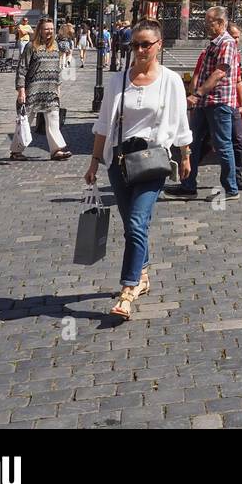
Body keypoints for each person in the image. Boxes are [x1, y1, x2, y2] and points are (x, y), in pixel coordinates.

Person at [86, 19, 192, 320]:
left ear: (159, 45)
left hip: (152, 160)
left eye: (146, 44)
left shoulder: (170, 80)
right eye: (135, 44)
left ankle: (128, 289)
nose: (140, 50)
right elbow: (104, 123)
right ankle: (143, 273)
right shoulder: (118, 80)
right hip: (119, 161)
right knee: (133, 225)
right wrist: (94, 161)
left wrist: (185, 155)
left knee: (135, 222)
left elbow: (181, 122)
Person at [170, 6, 241, 200]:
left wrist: (197, 94)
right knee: (191, 141)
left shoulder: (226, 43)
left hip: (218, 102)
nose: (206, 26)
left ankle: (231, 188)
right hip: (205, 102)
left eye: (209, 22)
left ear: (220, 22)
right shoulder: (213, 43)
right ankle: (187, 184)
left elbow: (219, 73)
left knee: (223, 145)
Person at [12, 18, 71, 161]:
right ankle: (16, 151)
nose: (49, 31)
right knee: (26, 121)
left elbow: (57, 69)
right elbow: (22, 69)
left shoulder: (56, 46)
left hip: (50, 90)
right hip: (33, 90)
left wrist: (58, 87)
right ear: (40, 30)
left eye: (51, 29)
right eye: (46, 29)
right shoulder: (31, 46)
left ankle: (56, 150)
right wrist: (21, 90)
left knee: (53, 120)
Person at [227, 23, 242, 191]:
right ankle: (190, 176)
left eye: (237, 36)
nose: (237, 39)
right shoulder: (213, 52)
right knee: (205, 143)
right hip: (218, 104)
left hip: (234, 105)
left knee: (238, 141)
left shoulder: (237, 55)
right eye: (234, 36)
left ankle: (236, 176)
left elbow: (238, 81)